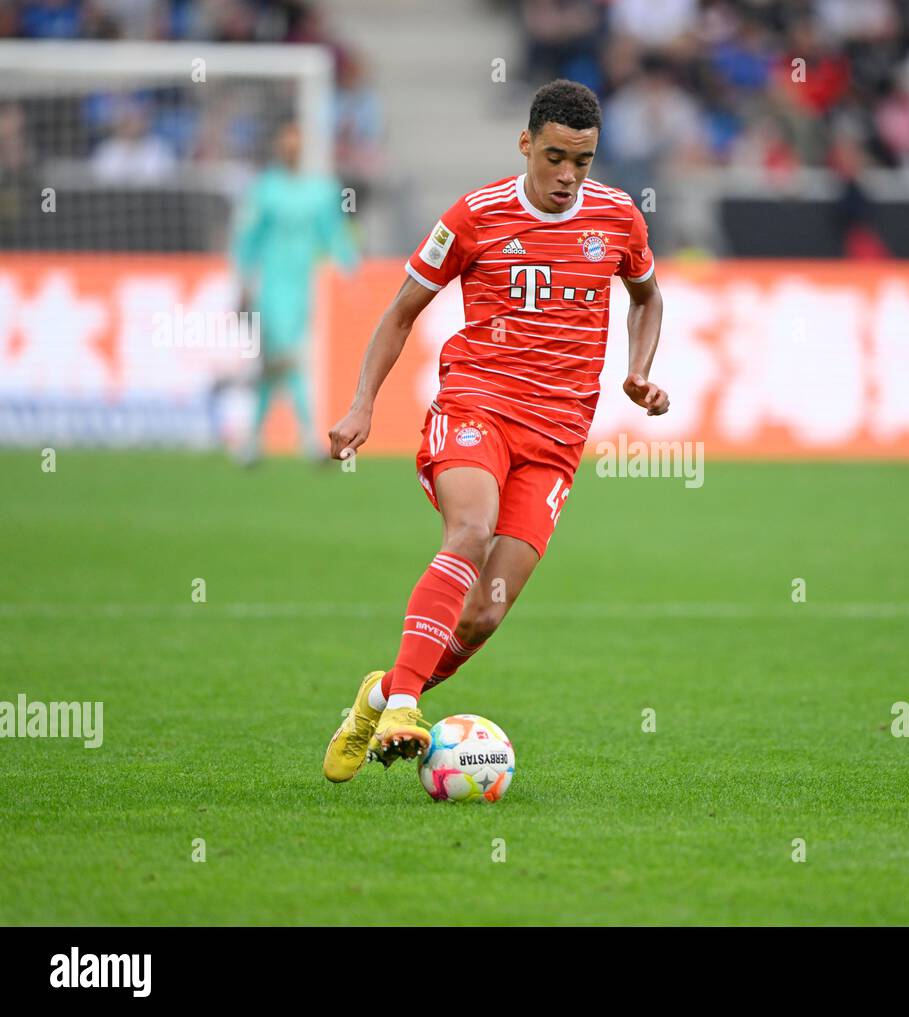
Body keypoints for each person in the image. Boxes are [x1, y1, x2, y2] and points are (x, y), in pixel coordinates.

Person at [322, 80, 669, 782]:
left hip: (558, 438)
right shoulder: (475, 215)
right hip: (477, 406)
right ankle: (404, 709)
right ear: (525, 144)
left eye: (583, 161)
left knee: (483, 614)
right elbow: (400, 313)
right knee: (471, 531)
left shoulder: (618, 218)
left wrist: (638, 370)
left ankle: (381, 697)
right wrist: (363, 404)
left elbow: (648, 296)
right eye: (554, 158)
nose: (568, 176)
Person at [230, 122, 358, 463]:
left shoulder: (320, 190)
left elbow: (332, 232)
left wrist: (350, 266)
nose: (292, 150)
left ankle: (252, 444)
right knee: (288, 358)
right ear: (279, 148)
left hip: (303, 285)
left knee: (277, 365)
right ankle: (309, 440)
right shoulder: (265, 189)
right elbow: (248, 239)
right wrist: (242, 280)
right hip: (271, 284)